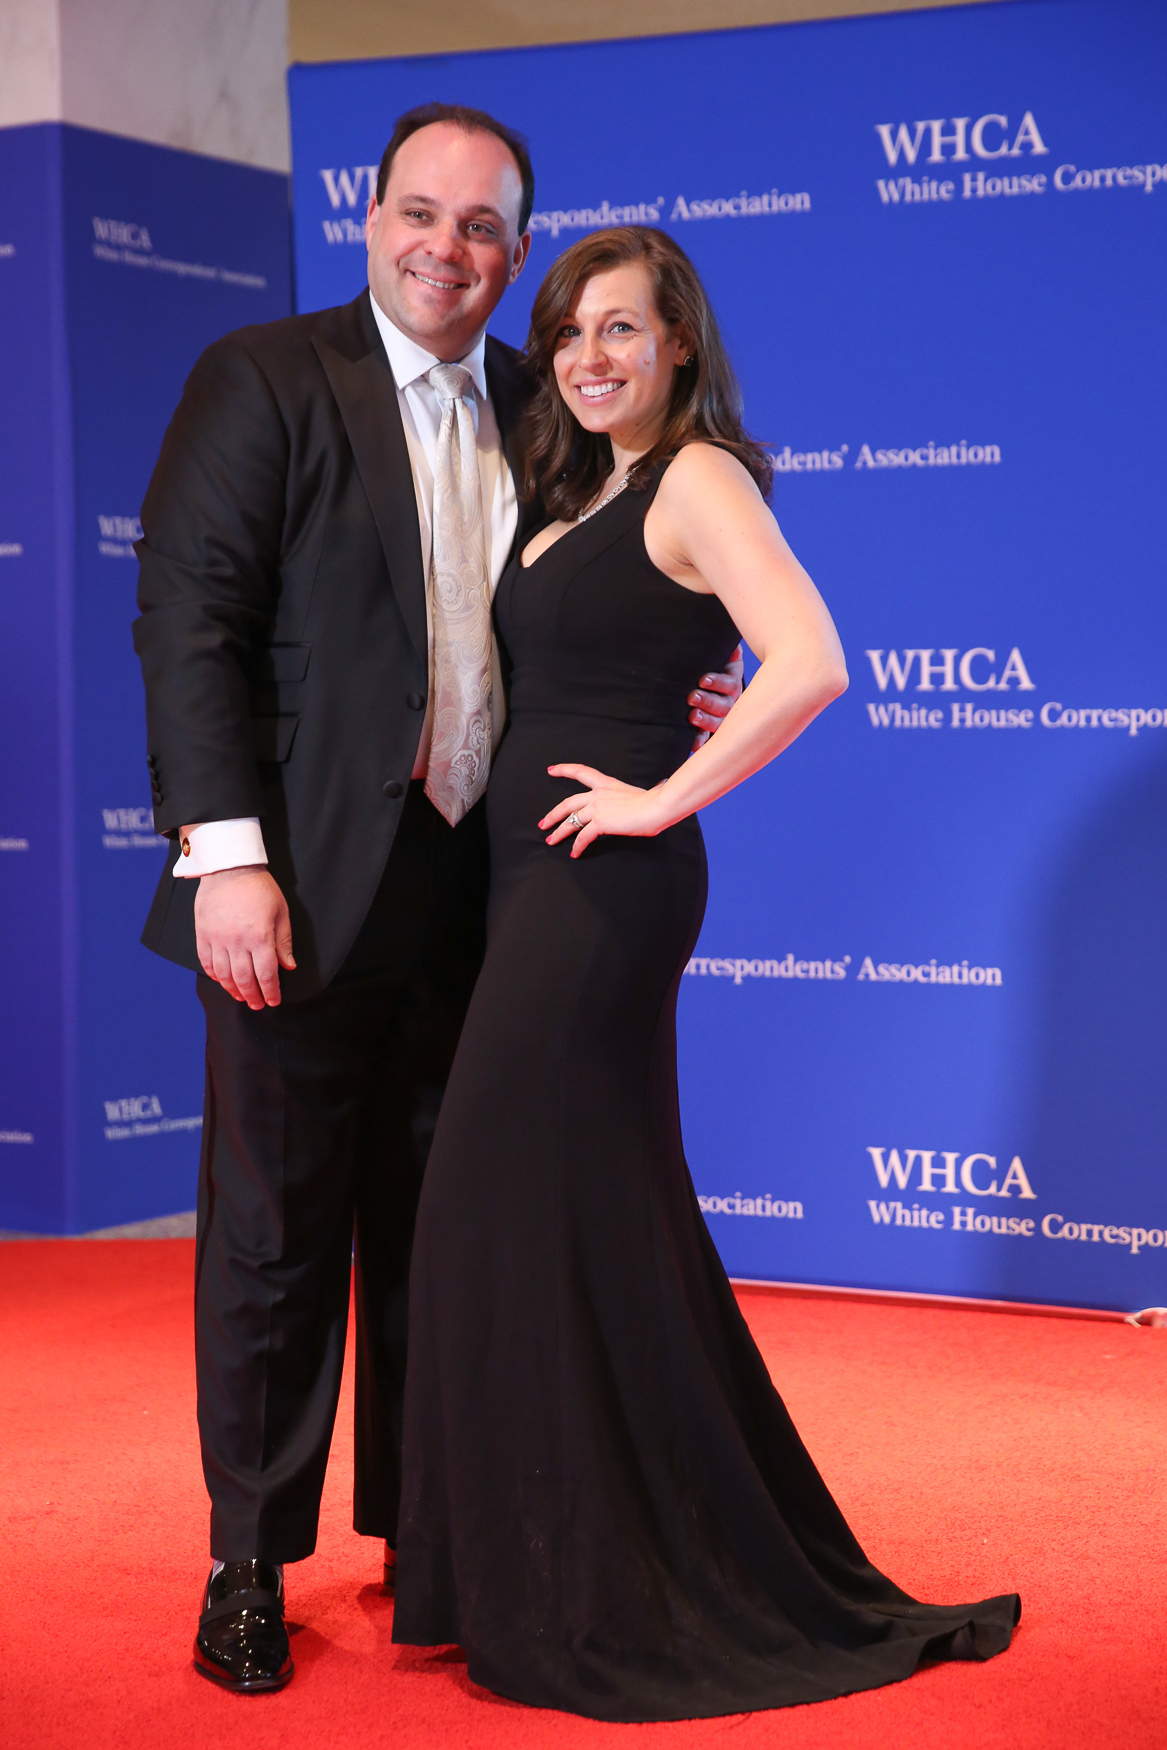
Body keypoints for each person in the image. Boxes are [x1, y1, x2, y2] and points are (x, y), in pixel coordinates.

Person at [132, 109, 742, 1694]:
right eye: (422, 212)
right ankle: (250, 1562)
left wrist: (687, 682)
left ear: (517, 254)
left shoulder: (553, 402)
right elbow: (189, 622)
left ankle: (433, 1537)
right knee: (274, 1235)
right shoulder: (263, 378)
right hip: (301, 890)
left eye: (483, 228)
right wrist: (227, 856)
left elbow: (616, 591)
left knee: (446, 1223)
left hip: (496, 890)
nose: (446, 248)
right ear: (371, 216)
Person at [392, 226, 1021, 1721]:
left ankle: (587, 1570)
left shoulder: (701, 477)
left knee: (505, 1197)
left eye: (625, 329)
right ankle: (560, 1548)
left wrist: (665, 795)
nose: (594, 357)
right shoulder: (579, 487)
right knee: (594, 1218)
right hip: (532, 882)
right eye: (572, 334)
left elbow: (807, 656)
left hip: (605, 890)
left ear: (679, 344)